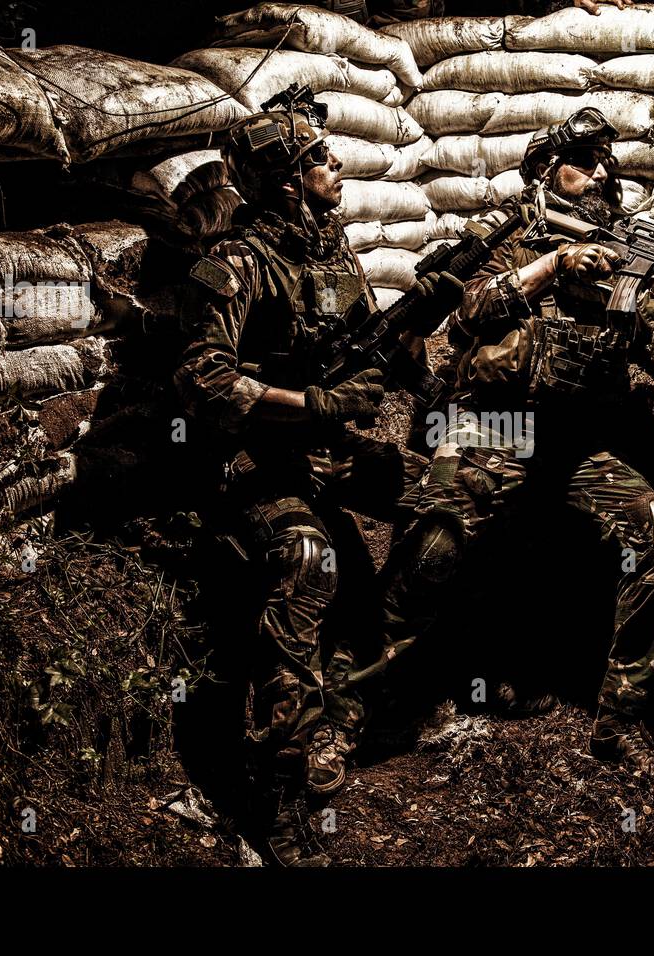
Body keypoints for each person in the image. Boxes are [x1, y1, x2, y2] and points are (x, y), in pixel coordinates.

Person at [334, 107, 654, 780]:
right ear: (543, 170)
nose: (600, 173)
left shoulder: (630, 255)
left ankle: (618, 723)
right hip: (493, 429)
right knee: (436, 544)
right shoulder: (506, 233)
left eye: (607, 164)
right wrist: (551, 265)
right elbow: (469, 309)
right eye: (583, 161)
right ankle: (354, 703)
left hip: (574, 446)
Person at [174, 93, 427, 864]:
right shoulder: (237, 265)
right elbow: (204, 381)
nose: (336, 164)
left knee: (458, 497)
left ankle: (359, 690)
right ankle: (278, 790)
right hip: (257, 463)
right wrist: (312, 401)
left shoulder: (334, 250)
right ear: (287, 180)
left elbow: (378, 348)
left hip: (330, 451)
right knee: (308, 560)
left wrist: (423, 329)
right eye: (319, 158)